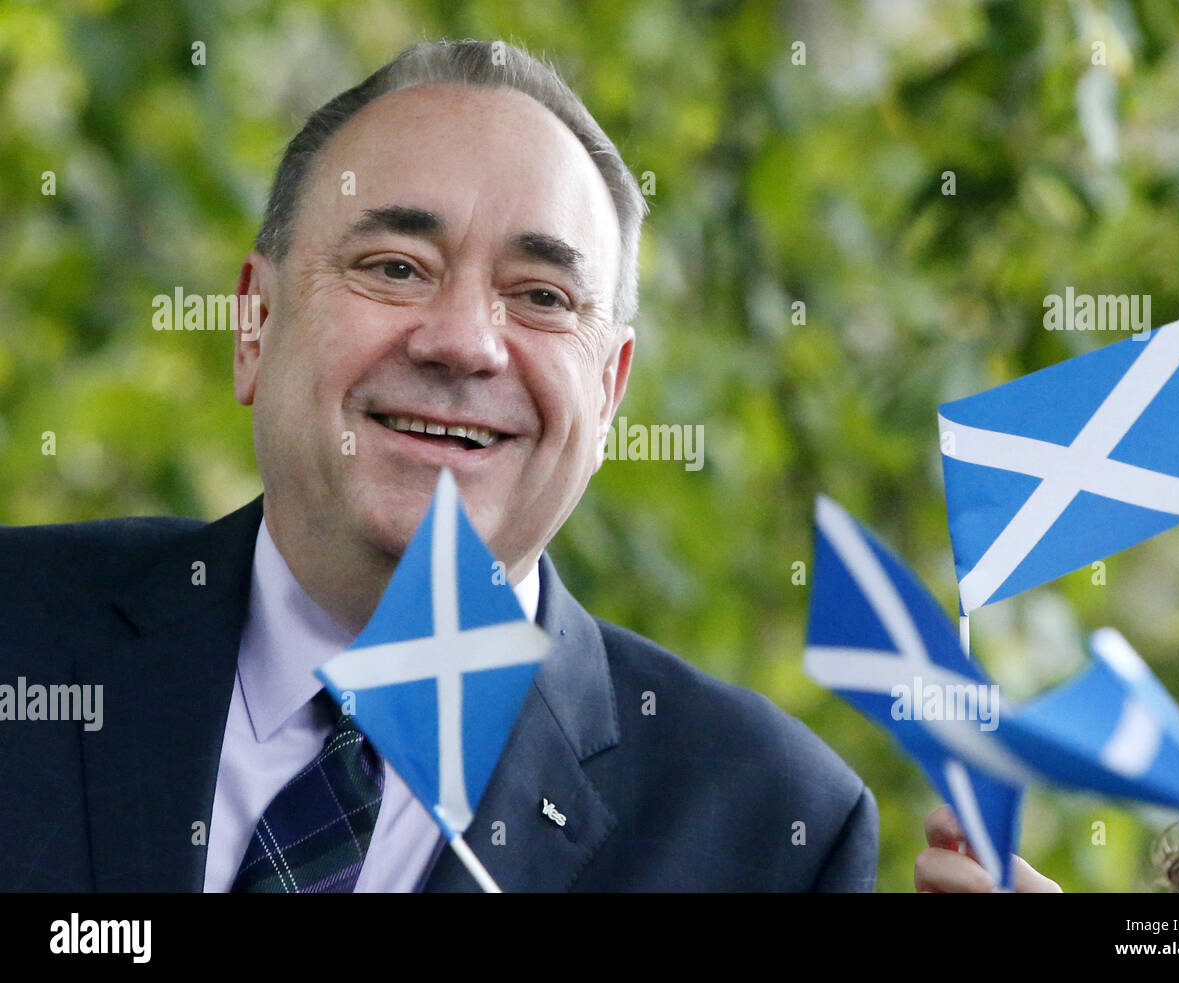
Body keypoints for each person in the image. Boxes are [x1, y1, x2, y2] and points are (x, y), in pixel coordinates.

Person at [0, 39, 1052, 893]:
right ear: (255, 323)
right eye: (395, 267)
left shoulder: (769, 829)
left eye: (542, 295)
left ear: (609, 392)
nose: (463, 340)